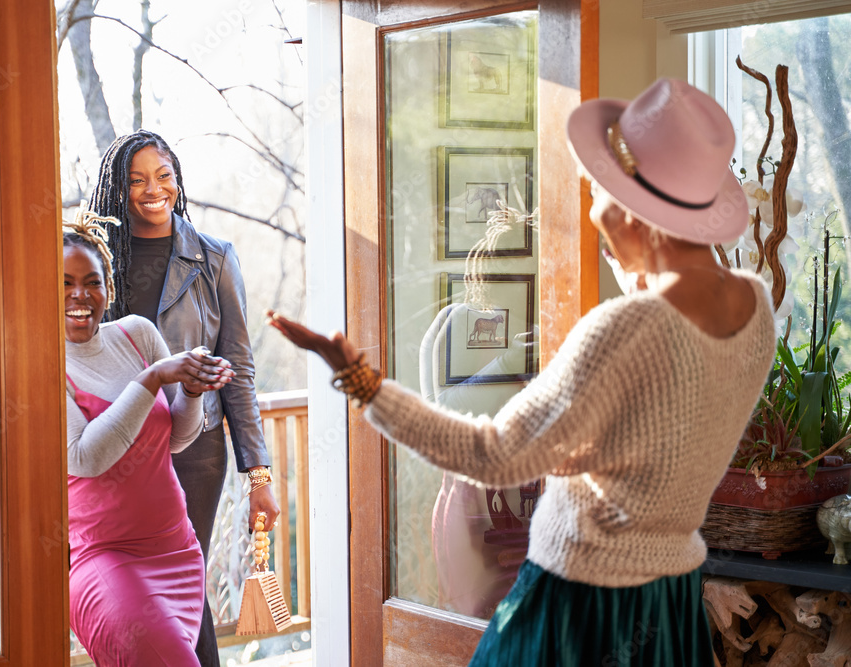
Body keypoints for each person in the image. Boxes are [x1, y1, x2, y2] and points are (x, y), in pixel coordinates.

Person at [267, 78, 777, 666]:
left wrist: (362, 382)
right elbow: (665, 413)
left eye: (601, 190)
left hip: (581, 604)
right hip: (669, 606)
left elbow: (493, 455)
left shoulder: (624, 329)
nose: (593, 209)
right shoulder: (752, 306)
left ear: (639, 213)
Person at [88, 129, 279, 666]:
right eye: (137, 180)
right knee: (131, 591)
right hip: (119, 445)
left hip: (196, 450)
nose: (154, 189)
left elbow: (239, 367)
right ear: (117, 190)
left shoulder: (214, 258)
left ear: (178, 178)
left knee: (180, 588)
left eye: (164, 175)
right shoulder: (102, 261)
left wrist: (258, 476)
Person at [63, 205, 236, 666]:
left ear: (108, 287)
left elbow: (176, 437)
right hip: (107, 560)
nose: (80, 295)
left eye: (92, 281)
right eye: (64, 283)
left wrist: (194, 390)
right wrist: (154, 378)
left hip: (176, 550)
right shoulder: (46, 368)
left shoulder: (137, 335)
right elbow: (85, 457)